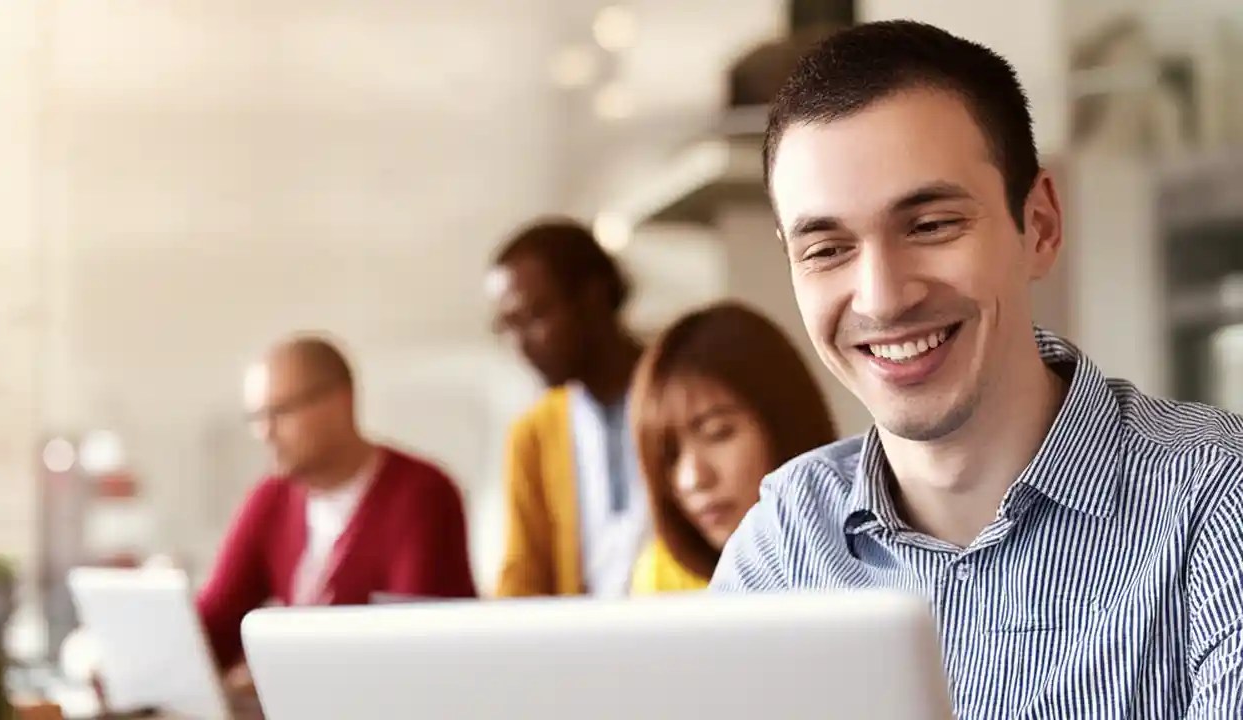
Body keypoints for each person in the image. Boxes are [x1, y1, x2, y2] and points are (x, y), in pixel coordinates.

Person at [712, 20, 1243, 717]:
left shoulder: (1216, 500)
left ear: (1040, 226)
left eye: (930, 225)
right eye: (827, 249)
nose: (882, 297)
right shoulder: (784, 547)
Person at [198, 336, 476, 672]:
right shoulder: (271, 498)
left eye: (280, 412)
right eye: (257, 416)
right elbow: (215, 626)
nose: (265, 432)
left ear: (340, 402)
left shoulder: (422, 494)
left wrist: (278, 673)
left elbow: (415, 649)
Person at [487, 219, 649, 597]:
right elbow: (522, 577)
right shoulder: (534, 434)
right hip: (584, 649)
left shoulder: (687, 396)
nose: (521, 343)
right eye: (508, 325)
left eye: (535, 316)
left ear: (593, 298)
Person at [628, 302, 836, 593]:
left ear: (786, 422)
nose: (693, 479)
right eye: (670, 456)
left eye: (718, 433)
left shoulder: (865, 557)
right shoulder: (660, 580)